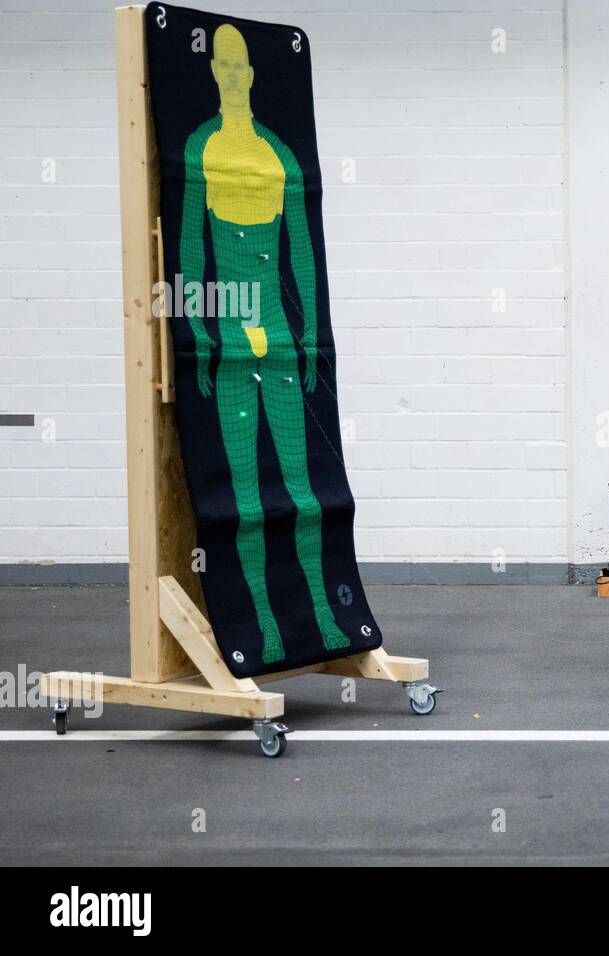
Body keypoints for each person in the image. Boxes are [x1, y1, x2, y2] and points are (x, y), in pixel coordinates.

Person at [179, 23, 351, 665]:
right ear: (215, 73)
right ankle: (262, 634)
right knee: (243, 494)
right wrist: (197, 333)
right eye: (220, 65)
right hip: (226, 347)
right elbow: (192, 252)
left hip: (278, 343)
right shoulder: (198, 149)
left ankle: (321, 620)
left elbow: (301, 253)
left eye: (239, 66)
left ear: (250, 75)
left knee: (304, 487)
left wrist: (307, 338)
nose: (230, 75)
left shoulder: (277, 155)